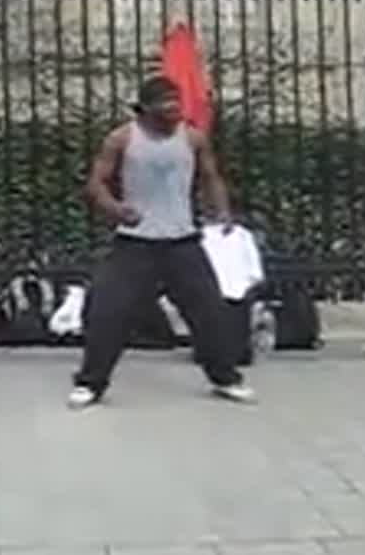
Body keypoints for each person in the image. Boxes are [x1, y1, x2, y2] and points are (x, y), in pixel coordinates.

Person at [69, 75, 255, 409]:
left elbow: (211, 177)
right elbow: (95, 185)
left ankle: (225, 378)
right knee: (108, 312)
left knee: (209, 312)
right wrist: (115, 208)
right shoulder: (122, 139)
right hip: (135, 242)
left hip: (181, 241)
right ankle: (90, 384)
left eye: (177, 105)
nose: (174, 112)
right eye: (167, 106)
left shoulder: (193, 139)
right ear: (147, 109)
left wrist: (223, 211)